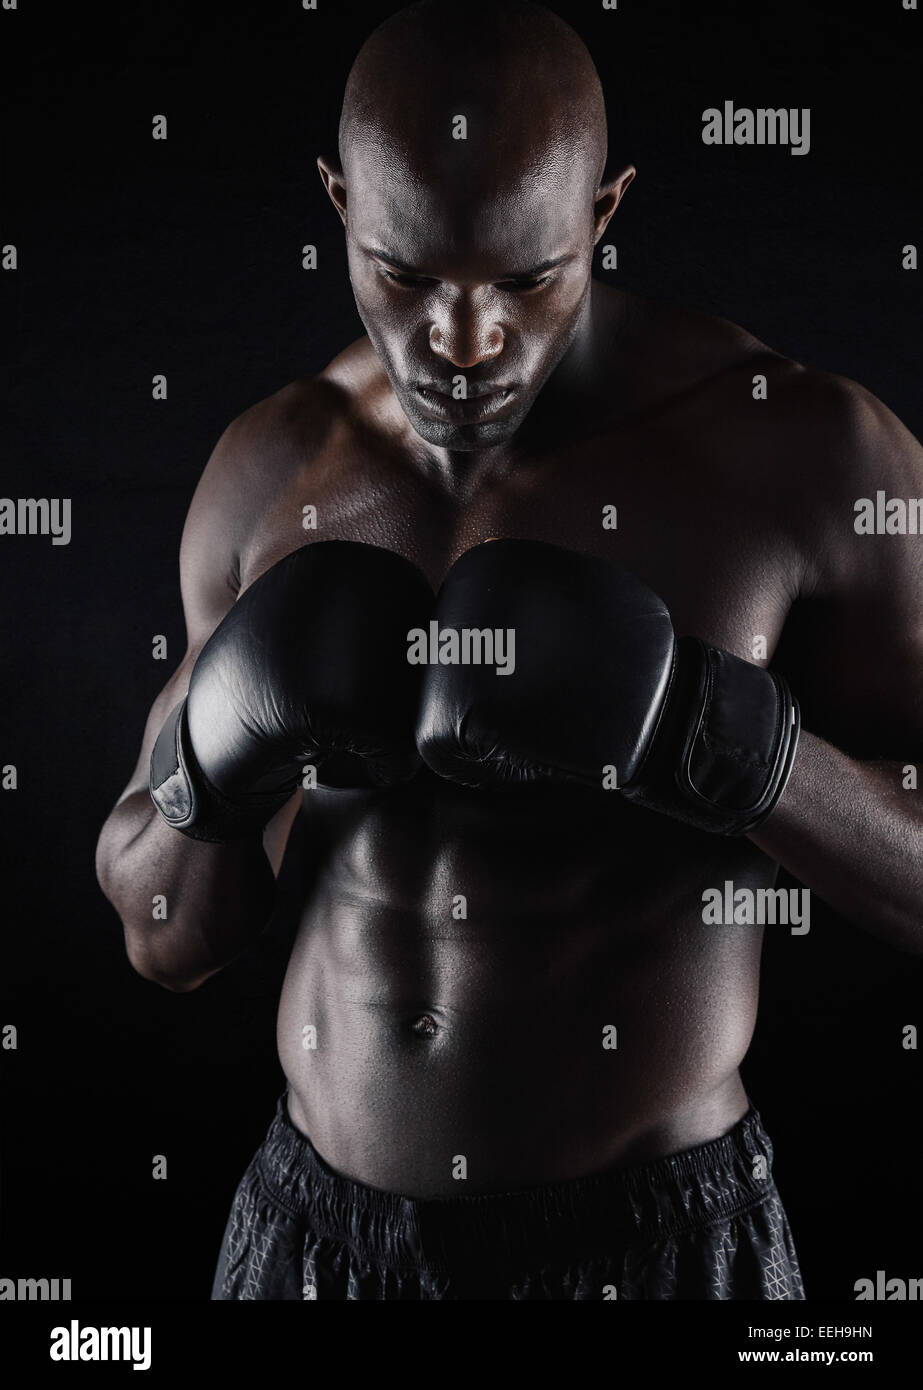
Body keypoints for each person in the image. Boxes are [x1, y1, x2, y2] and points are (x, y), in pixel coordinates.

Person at [95, 0, 923, 1300]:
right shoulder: (272, 468)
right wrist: (216, 759)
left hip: (651, 1246)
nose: (463, 346)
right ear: (336, 203)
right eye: (406, 275)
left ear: (605, 210)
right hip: (311, 1240)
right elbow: (162, 933)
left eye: (527, 281)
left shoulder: (809, 457)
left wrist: (716, 736)